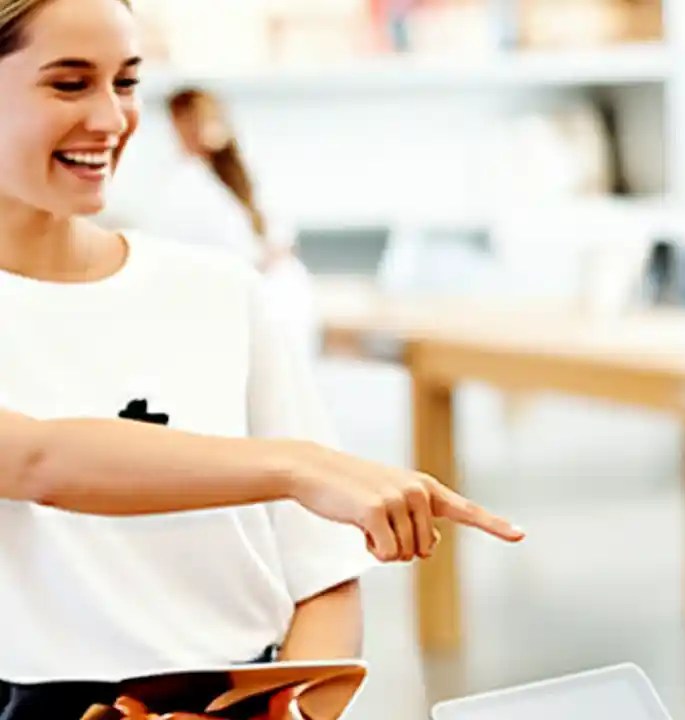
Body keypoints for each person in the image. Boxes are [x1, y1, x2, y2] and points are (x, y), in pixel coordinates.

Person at [0, 0, 523, 714]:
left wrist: (295, 713)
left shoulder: (220, 291)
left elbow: (323, 571)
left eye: (125, 83)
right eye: (69, 84)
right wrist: (298, 466)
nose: (111, 118)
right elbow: (37, 461)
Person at [105, 86, 321, 358]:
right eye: (178, 122)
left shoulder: (242, 172)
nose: (184, 131)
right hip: (237, 300)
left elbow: (277, 242)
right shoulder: (179, 180)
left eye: (190, 119)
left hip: (272, 299)